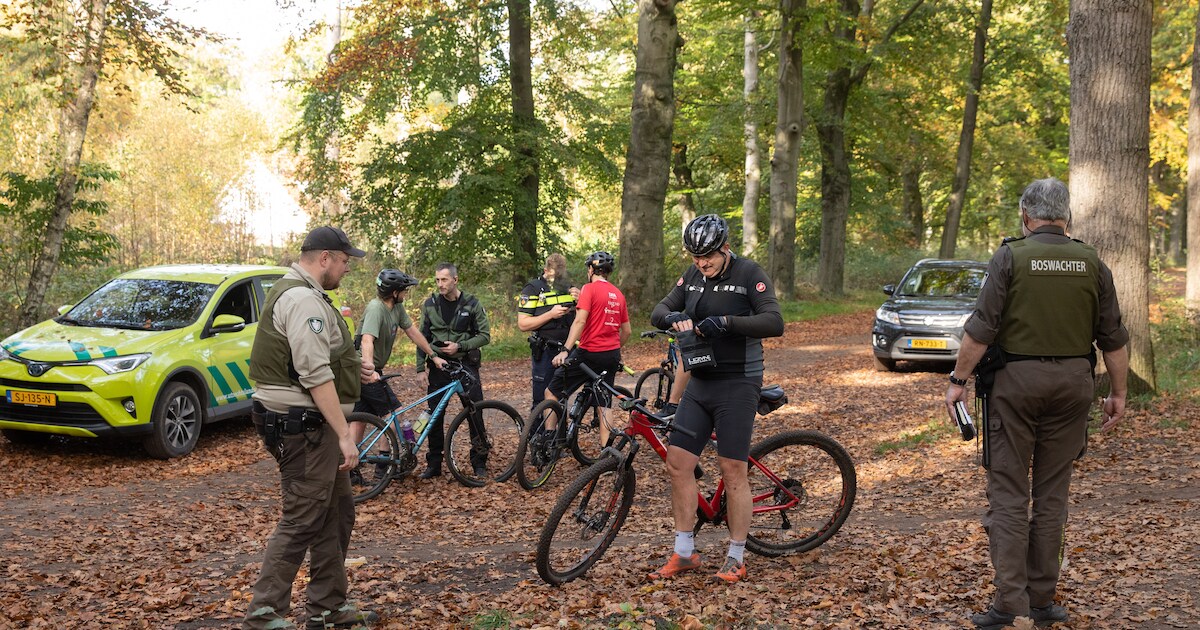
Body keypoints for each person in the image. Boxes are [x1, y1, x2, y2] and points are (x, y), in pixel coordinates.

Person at [944, 178, 1129, 630]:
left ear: (1026, 216)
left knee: (1009, 494)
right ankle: (1043, 601)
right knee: (1052, 495)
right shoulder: (1092, 262)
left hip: (1015, 386)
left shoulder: (1010, 256)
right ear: (1067, 216)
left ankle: (1011, 605)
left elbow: (981, 328)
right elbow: (1113, 337)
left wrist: (958, 381)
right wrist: (1118, 393)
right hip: (1073, 386)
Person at [244, 225, 379, 630]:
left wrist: (354, 367)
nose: (347, 268)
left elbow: (319, 357)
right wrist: (344, 434)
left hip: (310, 425)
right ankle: (264, 615)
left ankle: (327, 608)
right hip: (304, 429)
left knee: (337, 513)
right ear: (324, 258)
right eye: (344, 261)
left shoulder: (303, 292)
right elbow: (314, 374)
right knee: (302, 517)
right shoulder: (303, 299)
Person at [648, 214, 784, 583]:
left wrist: (726, 322)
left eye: (708, 256)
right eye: (695, 257)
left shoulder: (749, 273)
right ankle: (684, 552)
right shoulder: (692, 276)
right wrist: (675, 318)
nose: (702, 263)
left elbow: (774, 322)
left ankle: (736, 556)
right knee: (678, 463)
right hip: (702, 382)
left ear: (725, 247)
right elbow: (659, 310)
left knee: (732, 469)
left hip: (738, 382)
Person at [350, 270, 448, 479]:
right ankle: (383, 467)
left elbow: (412, 332)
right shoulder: (376, 308)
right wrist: (370, 370)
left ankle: (350, 470)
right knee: (395, 415)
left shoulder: (396, 308)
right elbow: (367, 340)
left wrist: (433, 356)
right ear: (394, 292)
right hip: (364, 369)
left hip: (368, 369)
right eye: (404, 290)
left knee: (359, 420)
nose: (406, 293)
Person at [541, 251, 630, 449]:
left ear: (591, 269)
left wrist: (566, 349)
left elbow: (580, 321)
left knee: (552, 391)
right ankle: (607, 454)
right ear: (608, 272)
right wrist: (614, 349)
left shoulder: (588, 289)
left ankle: (549, 438)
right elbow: (627, 331)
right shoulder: (618, 294)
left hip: (588, 353)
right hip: (611, 355)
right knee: (604, 404)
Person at [415, 262, 491, 479]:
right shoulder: (430, 304)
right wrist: (420, 368)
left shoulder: (472, 303)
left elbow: (485, 336)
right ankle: (434, 463)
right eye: (437, 280)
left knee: (474, 413)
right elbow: (421, 337)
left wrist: (461, 346)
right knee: (434, 415)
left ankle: (479, 461)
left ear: (455, 280)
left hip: (465, 365)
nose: (440, 284)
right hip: (438, 366)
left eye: (444, 280)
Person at [517, 253, 579, 408]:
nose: (558, 279)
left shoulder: (568, 288)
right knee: (541, 400)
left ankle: (561, 424)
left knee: (561, 398)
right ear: (546, 270)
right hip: (545, 350)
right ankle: (538, 425)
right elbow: (523, 324)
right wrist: (550, 314)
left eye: (561, 275)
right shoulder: (532, 289)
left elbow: (581, 319)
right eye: (555, 275)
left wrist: (580, 299)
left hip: (567, 349)